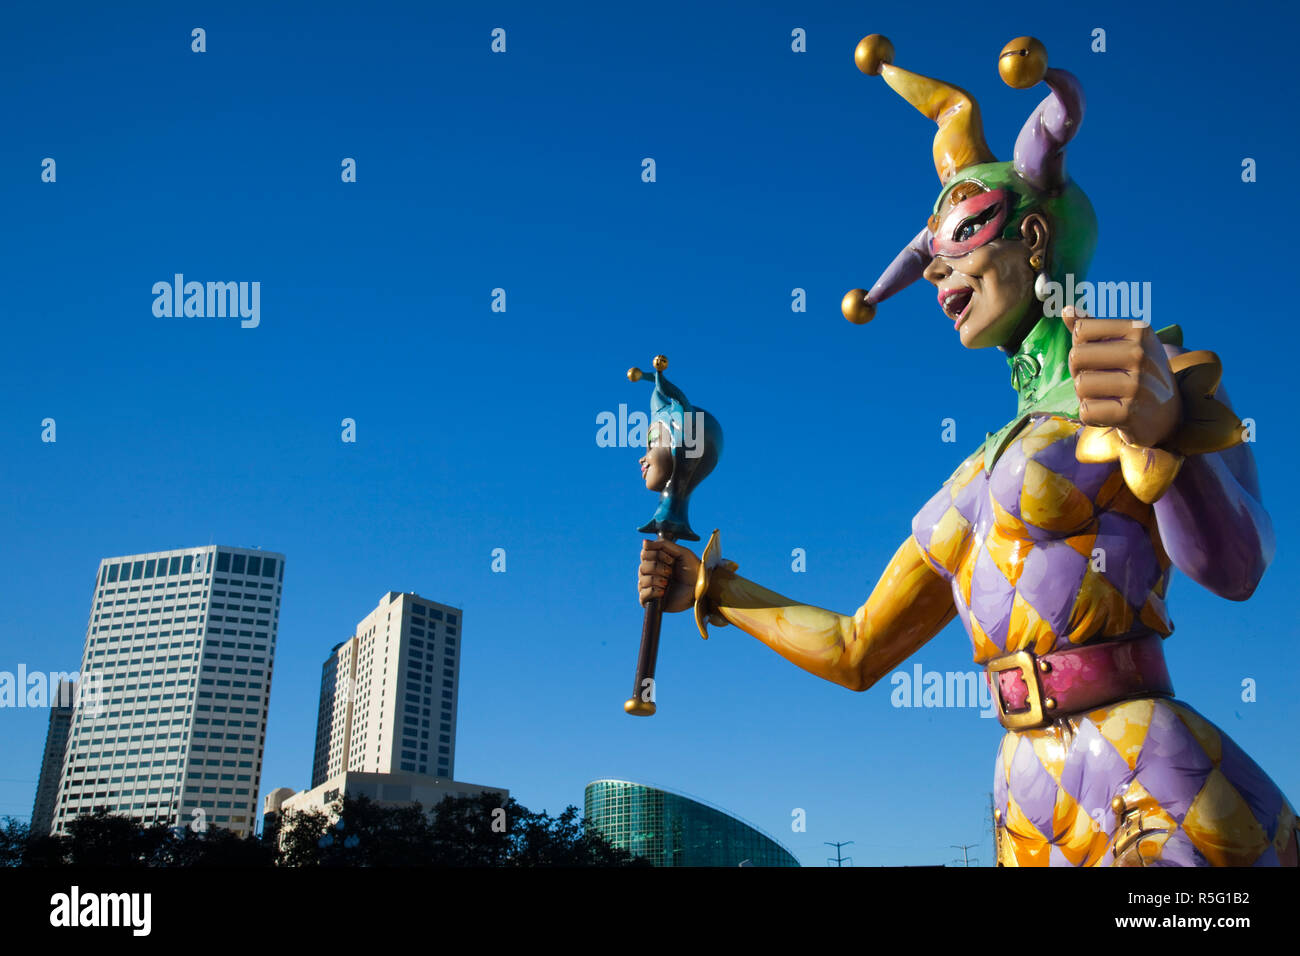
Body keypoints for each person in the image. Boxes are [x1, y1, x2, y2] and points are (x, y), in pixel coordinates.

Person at [637, 35, 1296, 867]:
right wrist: (714, 591)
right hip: (1024, 795)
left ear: (1032, 236)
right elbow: (856, 649)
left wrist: (1162, 436)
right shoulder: (971, 479)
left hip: (1142, 765)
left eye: (961, 238)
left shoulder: (1147, 375)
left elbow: (1236, 568)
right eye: (929, 259)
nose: (941, 280)